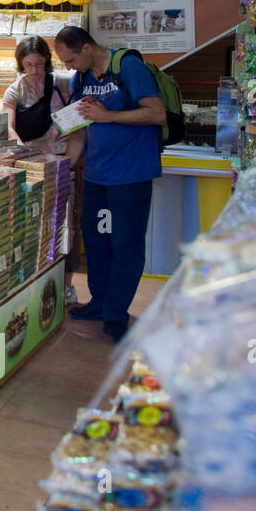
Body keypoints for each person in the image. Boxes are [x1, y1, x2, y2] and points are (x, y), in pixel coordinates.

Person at [53, 26, 166, 342]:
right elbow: (79, 130)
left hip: (130, 176)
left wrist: (109, 116)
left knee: (125, 245)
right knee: (98, 242)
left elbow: (156, 114)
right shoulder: (82, 79)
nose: (68, 67)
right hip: (97, 177)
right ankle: (100, 303)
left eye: (71, 59)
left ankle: (117, 314)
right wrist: (64, 169)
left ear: (87, 48)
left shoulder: (128, 66)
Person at [3, 36, 80, 305]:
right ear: (20, 64)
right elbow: (9, 126)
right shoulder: (16, 90)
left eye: (39, 63)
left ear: (47, 60)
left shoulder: (61, 83)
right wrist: (22, 149)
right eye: (28, 65)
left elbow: (77, 117)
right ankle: (32, 288)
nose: (35, 70)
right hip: (32, 166)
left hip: (62, 161)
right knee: (34, 225)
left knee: (64, 225)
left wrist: (71, 152)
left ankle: (66, 287)